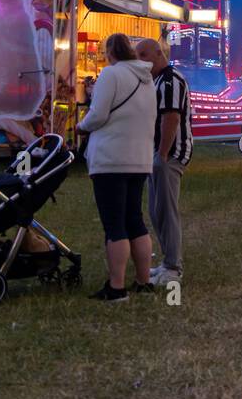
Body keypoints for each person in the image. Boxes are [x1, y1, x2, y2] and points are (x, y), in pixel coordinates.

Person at [78, 32, 157, 303]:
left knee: (114, 224)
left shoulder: (111, 76)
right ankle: (144, 280)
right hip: (140, 158)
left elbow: (98, 114)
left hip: (111, 158)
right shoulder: (147, 80)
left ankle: (116, 287)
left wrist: (81, 126)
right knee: (135, 219)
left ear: (110, 52)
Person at [135, 38, 192, 287]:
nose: (141, 61)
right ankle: (168, 261)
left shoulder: (170, 80)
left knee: (166, 212)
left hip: (169, 155)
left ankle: (173, 266)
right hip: (158, 155)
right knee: (157, 211)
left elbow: (171, 118)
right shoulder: (158, 80)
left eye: (144, 55)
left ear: (159, 54)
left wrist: (163, 154)